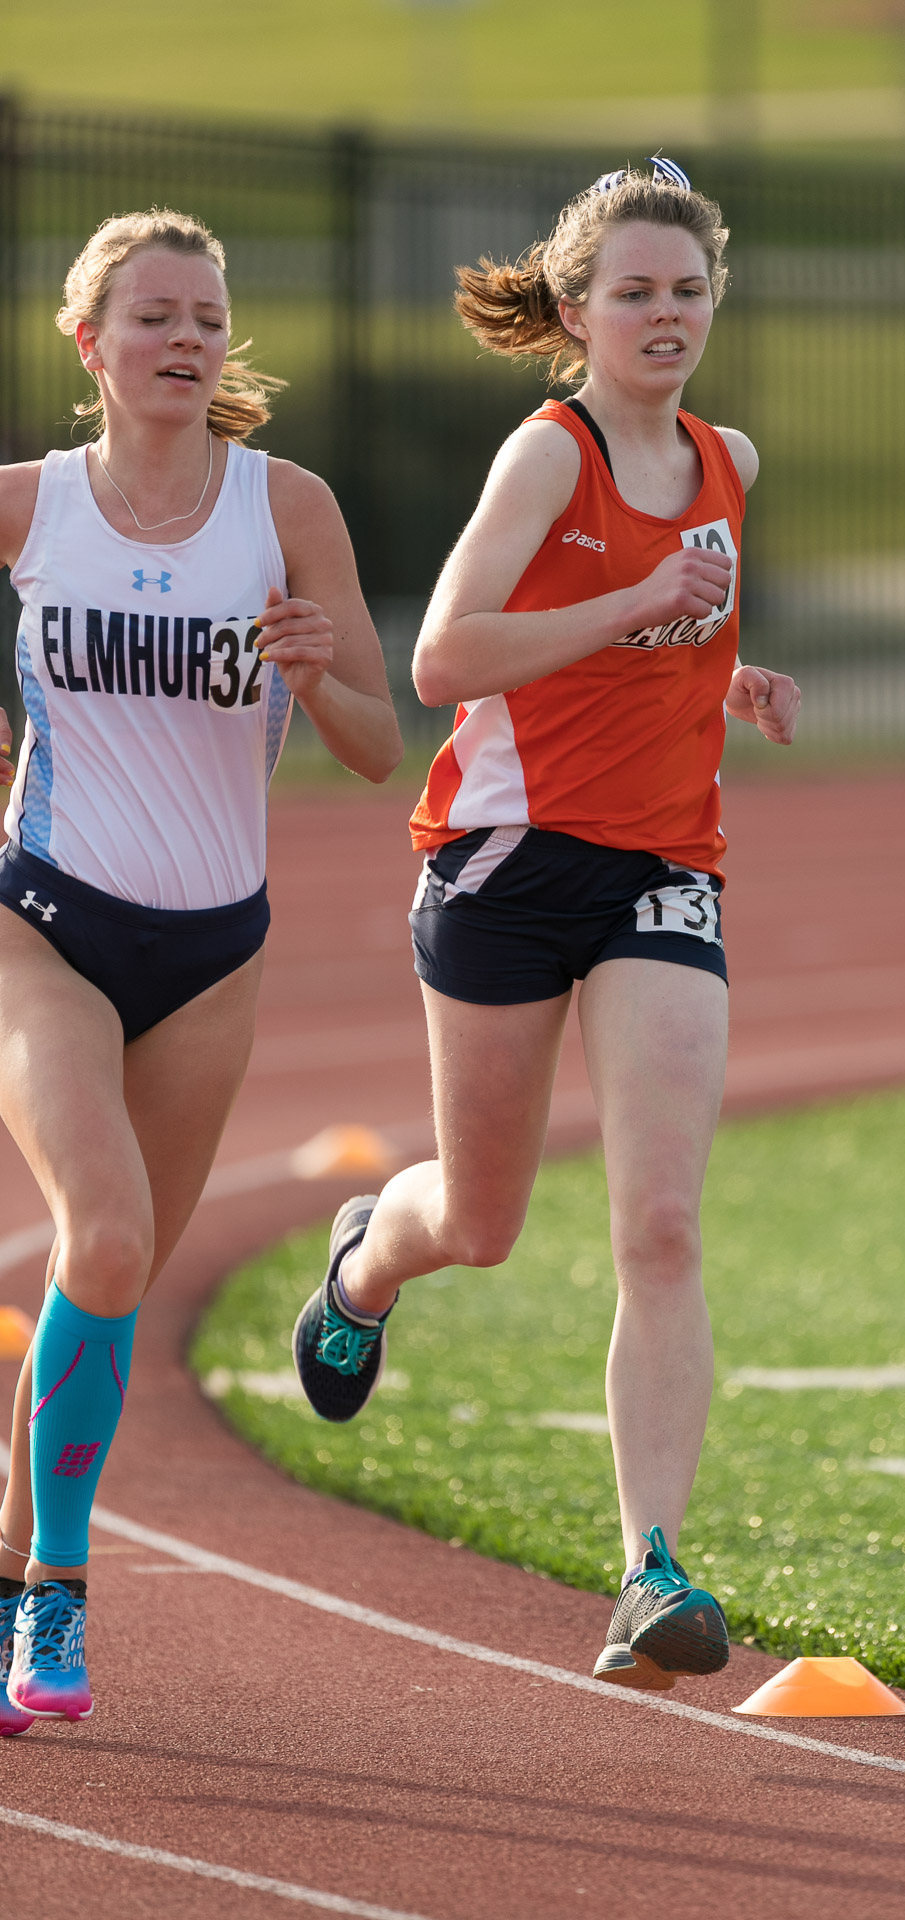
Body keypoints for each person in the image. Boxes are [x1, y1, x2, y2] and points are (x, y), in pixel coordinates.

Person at [292, 158, 799, 1689]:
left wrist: (725, 668)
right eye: (635, 291)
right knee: (489, 1223)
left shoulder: (729, 457)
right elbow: (446, 656)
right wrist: (637, 608)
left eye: (688, 290)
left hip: (664, 865)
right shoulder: (545, 455)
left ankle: (651, 1566)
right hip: (505, 861)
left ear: (715, 304)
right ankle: (367, 1261)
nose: (665, 313)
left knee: (659, 1220)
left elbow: (685, 608)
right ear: (577, 311)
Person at [0, 209, 402, 1733]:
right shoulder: (35, 507)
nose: (184, 341)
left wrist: (317, 670)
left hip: (214, 955)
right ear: (87, 341)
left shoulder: (285, 507)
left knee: (105, 1279)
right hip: (40, 926)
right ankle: (56, 1593)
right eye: (154, 316)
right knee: (99, 1237)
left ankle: (5, 1556)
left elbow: (378, 750)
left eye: (208, 320)